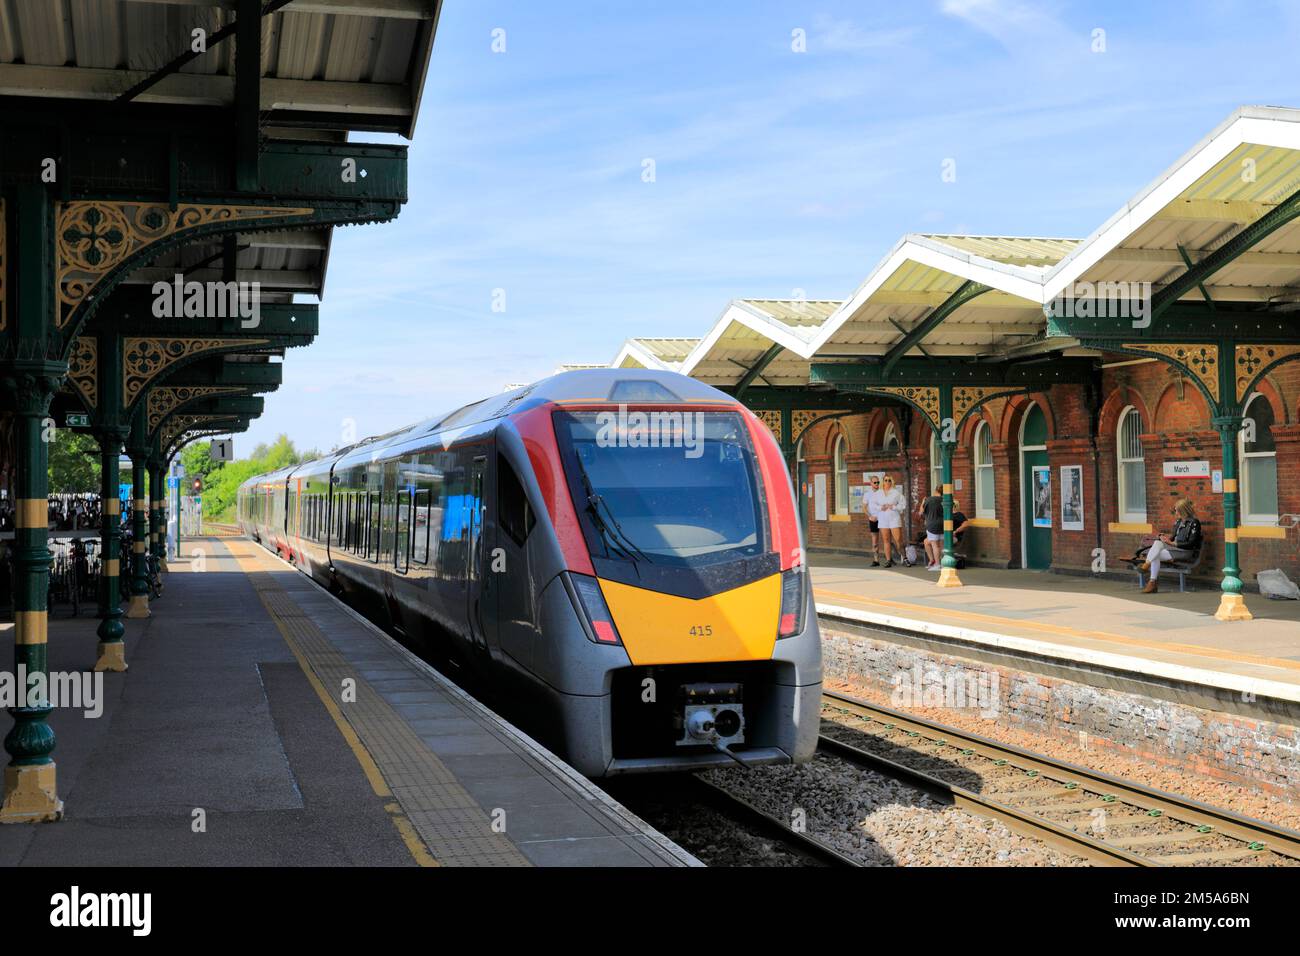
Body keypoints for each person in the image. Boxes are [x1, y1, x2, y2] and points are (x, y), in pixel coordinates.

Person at [1137, 499, 1202, 594]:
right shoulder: (1178, 522)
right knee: (1157, 548)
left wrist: (1173, 544)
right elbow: (1172, 538)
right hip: (1175, 550)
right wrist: (1164, 538)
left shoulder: (1194, 523)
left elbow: (1191, 543)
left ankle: (1149, 575)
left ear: (1183, 510)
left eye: (1177, 510)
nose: (1176, 513)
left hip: (1185, 552)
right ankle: (1151, 580)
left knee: (1155, 553)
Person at [872, 474, 906, 567]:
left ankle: (905, 558)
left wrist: (893, 506)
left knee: (898, 539)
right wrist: (880, 507)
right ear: (883, 482)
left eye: (889, 480)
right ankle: (888, 560)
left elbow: (903, 504)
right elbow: (873, 505)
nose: (887, 482)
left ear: (892, 482)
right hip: (883, 519)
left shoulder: (896, 492)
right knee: (886, 540)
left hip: (894, 518)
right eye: (886, 480)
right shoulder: (878, 493)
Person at [865, 475, 882, 566]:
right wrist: (870, 516)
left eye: (878, 482)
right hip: (873, 519)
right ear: (871, 483)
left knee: (887, 539)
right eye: (875, 482)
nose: (877, 484)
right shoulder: (867, 494)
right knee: (874, 541)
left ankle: (890, 558)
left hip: (883, 519)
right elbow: (864, 507)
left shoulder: (882, 493)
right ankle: (876, 560)